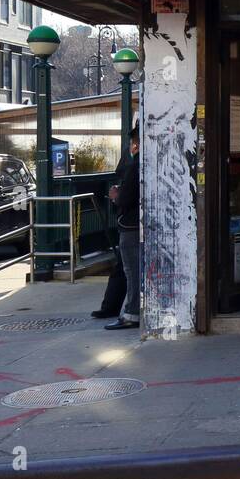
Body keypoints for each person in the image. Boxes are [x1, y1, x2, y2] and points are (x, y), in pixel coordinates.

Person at [105, 127, 141, 330]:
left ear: (135, 144)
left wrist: (115, 196)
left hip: (130, 225)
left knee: (131, 270)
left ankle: (132, 313)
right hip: (140, 223)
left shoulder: (135, 166)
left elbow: (125, 199)